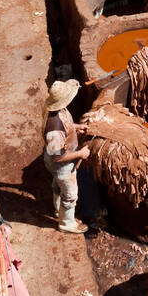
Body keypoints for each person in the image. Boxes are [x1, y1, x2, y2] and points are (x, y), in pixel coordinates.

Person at [43, 79, 90, 234]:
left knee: (58, 186)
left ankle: (58, 209)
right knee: (70, 195)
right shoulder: (54, 129)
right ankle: (66, 223)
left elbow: (65, 125)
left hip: (54, 160)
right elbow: (58, 157)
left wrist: (76, 127)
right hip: (60, 165)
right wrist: (81, 153)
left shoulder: (57, 110)